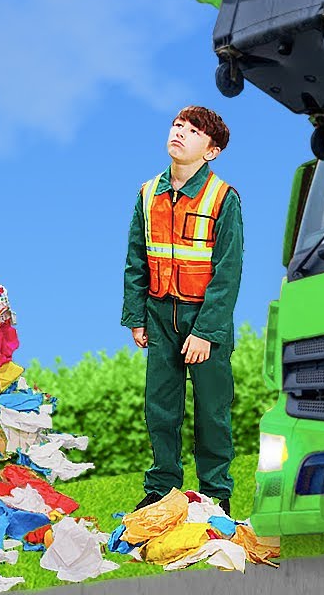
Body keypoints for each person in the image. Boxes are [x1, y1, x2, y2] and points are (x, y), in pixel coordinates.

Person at [121, 105, 244, 516]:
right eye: (177, 125)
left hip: (205, 320)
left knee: (211, 411)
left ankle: (215, 493)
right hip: (159, 316)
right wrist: (136, 316)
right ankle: (162, 489)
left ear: (211, 151)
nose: (179, 133)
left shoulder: (223, 198)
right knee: (159, 408)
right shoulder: (146, 194)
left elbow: (228, 272)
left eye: (193, 131)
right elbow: (136, 260)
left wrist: (206, 332)